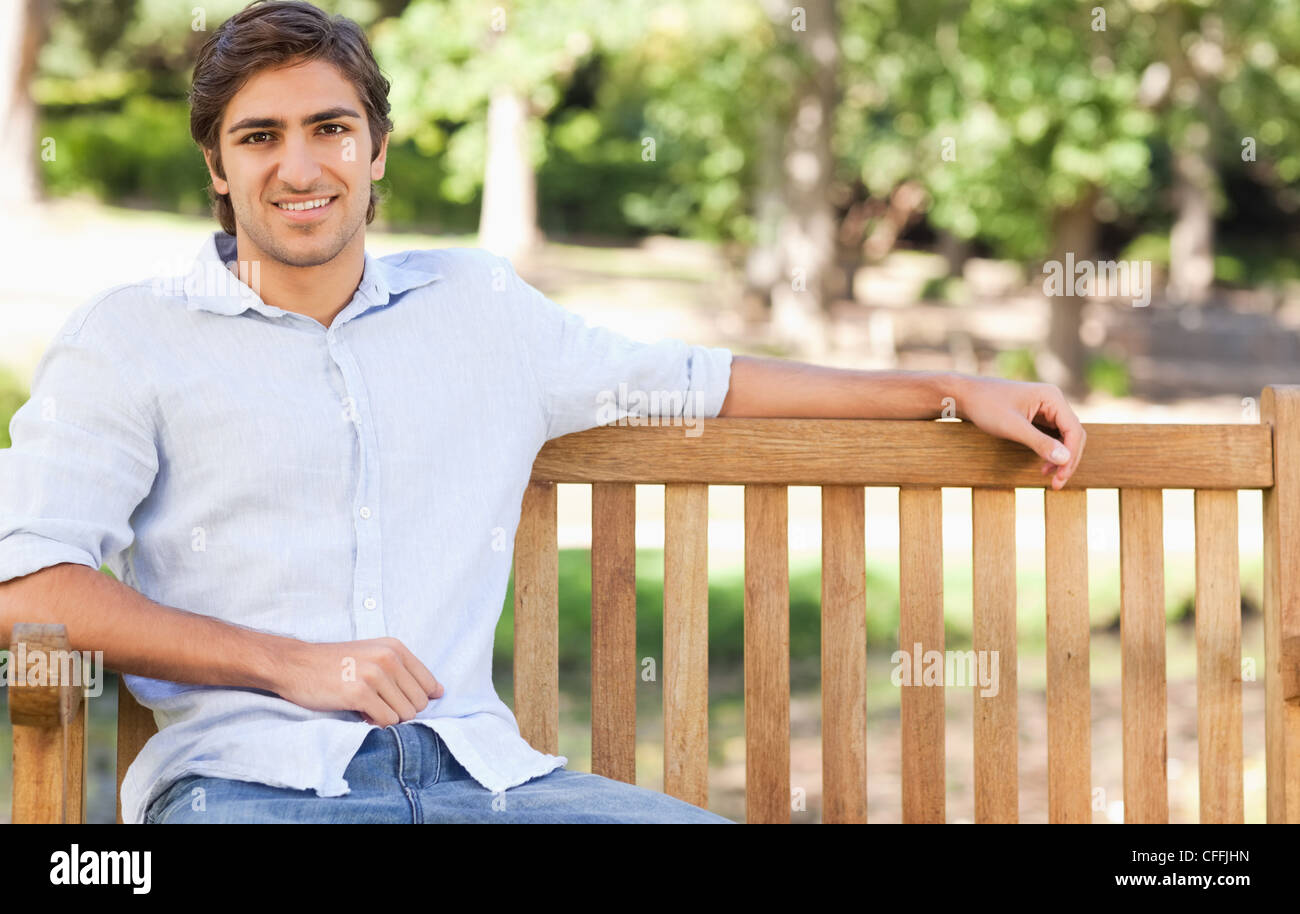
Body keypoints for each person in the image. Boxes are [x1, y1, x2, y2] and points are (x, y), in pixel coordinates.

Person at [0, 0, 1085, 824]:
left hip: (490, 780)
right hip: (254, 788)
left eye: (330, 128)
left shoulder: (478, 311)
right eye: (258, 136)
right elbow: (26, 582)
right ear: (216, 166)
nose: (299, 166)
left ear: (376, 152)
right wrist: (291, 661)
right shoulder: (130, 335)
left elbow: (697, 378)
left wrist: (943, 388)